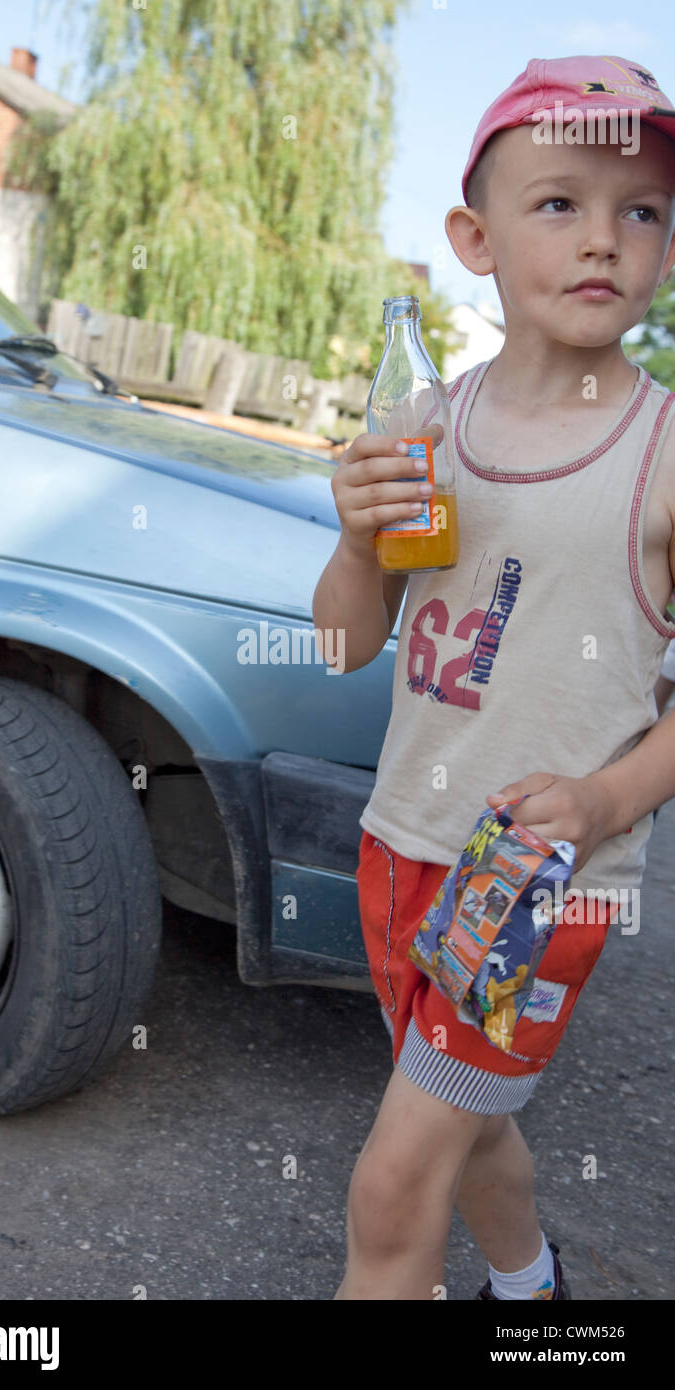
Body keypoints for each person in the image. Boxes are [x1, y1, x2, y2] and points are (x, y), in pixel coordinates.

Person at [312, 55, 675, 1301]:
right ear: (472, 236)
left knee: (392, 1181)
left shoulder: (661, 451)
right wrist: (356, 542)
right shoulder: (423, 421)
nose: (604, 240)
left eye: (640, 211)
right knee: (467, 1129)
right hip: (397, 843)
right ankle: (533, 1294)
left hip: (533, 881)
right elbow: (340, 643)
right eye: (559, 201)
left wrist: (604, 803)